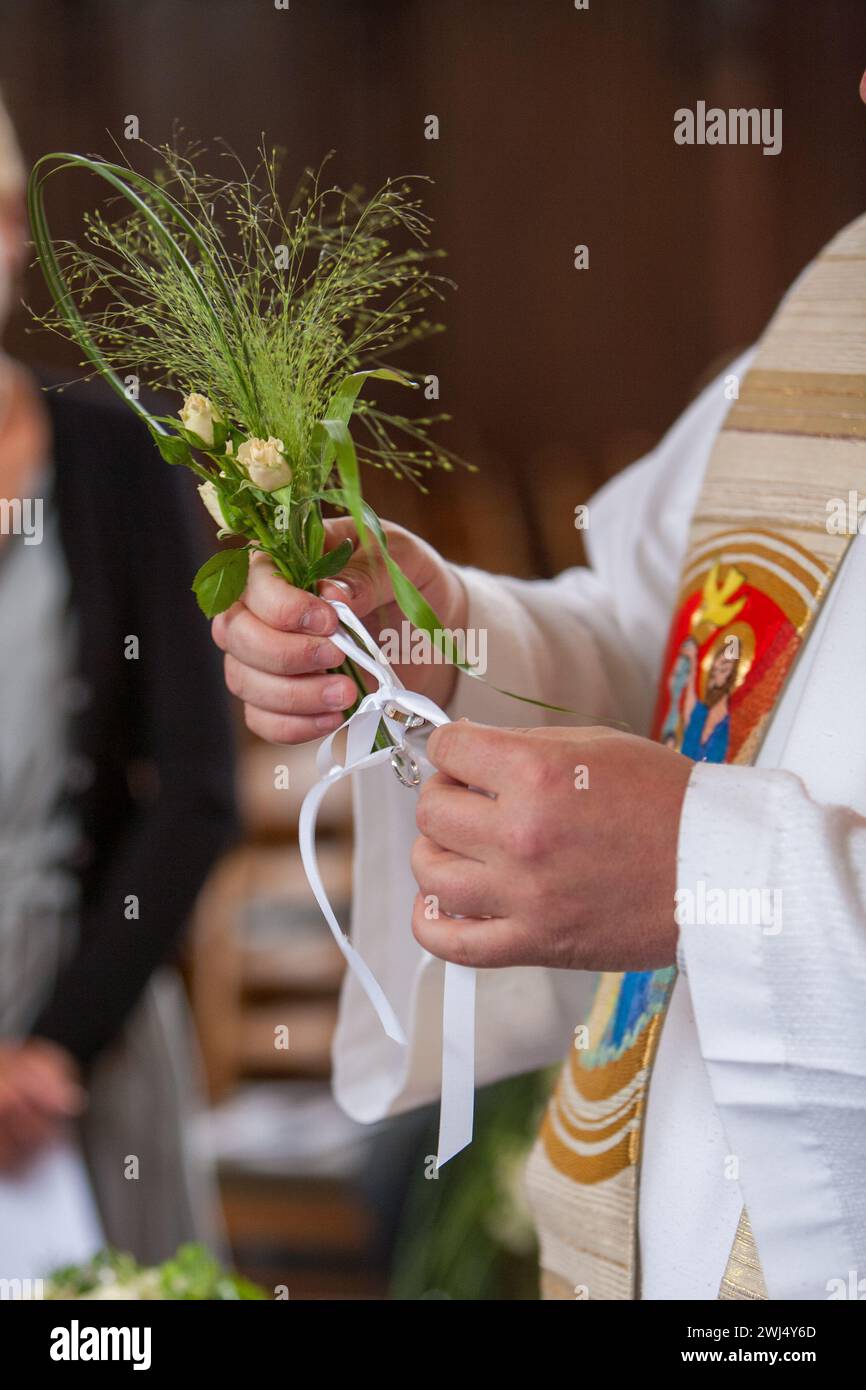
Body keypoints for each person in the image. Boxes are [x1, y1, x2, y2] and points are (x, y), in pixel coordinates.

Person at [213, 72, 866, 1301]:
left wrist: (705, 874)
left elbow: (695, 826)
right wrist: (442, 638)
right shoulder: (845, 298)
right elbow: (668, 639)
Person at [0, 91, 237, 1270]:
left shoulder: (112, 454)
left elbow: (197, 785)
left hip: (87, 1018)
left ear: (10, 233)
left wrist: (52, 1046)